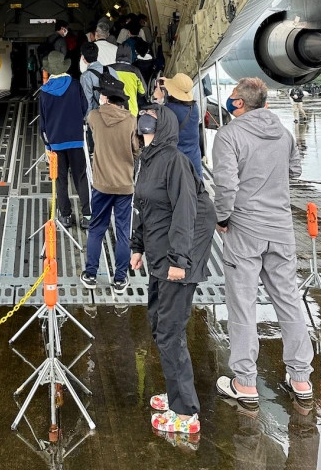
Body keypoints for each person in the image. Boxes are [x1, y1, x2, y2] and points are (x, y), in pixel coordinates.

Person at [213, 77, 314, 407]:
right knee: (289, 300)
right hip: (281, 229)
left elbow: (225, 185)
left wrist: (222, 217)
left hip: (244, 230)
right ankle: (301, 378)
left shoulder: (229, 135)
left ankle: (245, 383)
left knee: (242, 304)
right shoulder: (283, 133)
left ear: (240, 103)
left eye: (232, 95)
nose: (229, 99)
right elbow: (294, 172)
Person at [131, 102, 216, 437]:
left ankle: (185, 412)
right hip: (158, 253)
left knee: (170, 331)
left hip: (177, 256)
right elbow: (144, 206)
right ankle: (176, 392)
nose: (144, 120)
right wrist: (137, 246)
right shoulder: (147, 159)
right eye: (143, 115)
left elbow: (185, 211)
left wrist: (180, 261)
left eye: (152, 117)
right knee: (158, 322)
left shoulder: (175, 161)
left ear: (163, 124)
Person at [80, 80, 140, 293]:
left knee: (97, 229)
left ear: (105, 97)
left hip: (101, 184)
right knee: (123, 232)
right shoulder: (131, 121)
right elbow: (137, 151)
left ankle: (90, 274)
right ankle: (120, 279)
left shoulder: (94, 116)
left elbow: (92, 130)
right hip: (124, 185)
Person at [38, 51, 91, 229]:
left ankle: (66, 216)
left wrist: (47, 145)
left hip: (55, 142)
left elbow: (43, 124)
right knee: (80, 177)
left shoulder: (44, 92)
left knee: (60, 179)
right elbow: (85, 108)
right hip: (76, 140)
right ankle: (87, 215)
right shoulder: (75, 85)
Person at [159, 73, 203, 179]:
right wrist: (170, 83)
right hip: (194, 158)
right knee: (195, 185)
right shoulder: (194, 107)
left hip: (177, 159)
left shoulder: (169, 109)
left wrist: (159, 99)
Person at [111, 43, 147, 115]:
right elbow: (143, 91)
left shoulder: (109, 69)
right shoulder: (135, 71)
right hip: (131, 110)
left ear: (117, 55)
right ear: (130, 56)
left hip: (112, 110)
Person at [80, 41, 105, 112]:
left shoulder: (85, 76)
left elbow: (87, 102)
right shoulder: (111, 70)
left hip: (96, 114)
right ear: (97, 54)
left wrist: (87, 118)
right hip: (111, 114)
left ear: (83, 58)